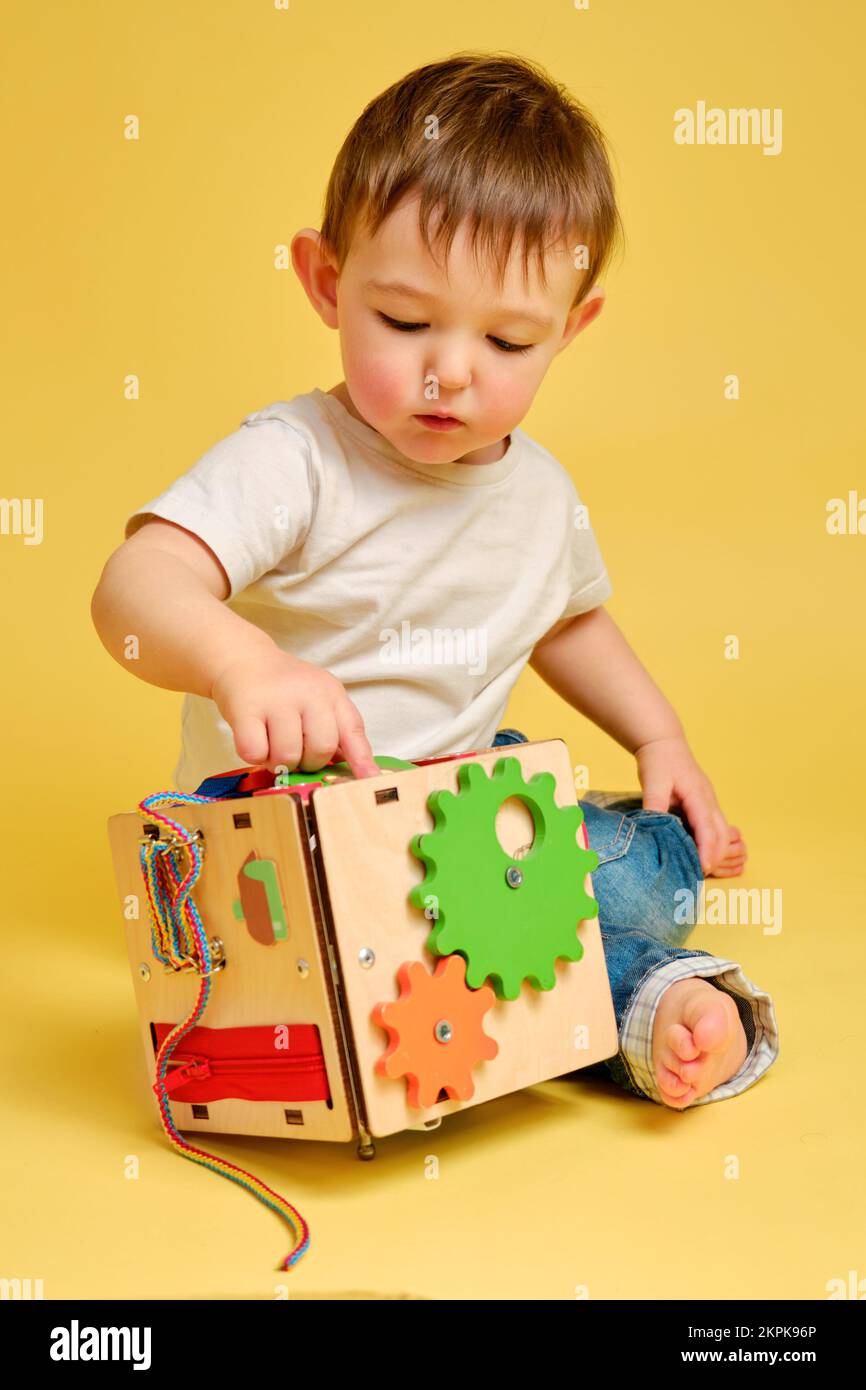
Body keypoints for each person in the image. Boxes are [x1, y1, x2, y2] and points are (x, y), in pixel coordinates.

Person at [91, 51, 778, 1110]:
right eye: (404, 322)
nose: (449, 370)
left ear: (568, 328)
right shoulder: (295, 461)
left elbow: (569, 621)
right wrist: (243, 661)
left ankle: (625, 888)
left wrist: (658, 737)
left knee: (640, 859)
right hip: (292, 852)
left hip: (463, 808)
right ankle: (653, 1002)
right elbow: (132, 588)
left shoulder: (538, 492)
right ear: (326, 282)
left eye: (506, 339)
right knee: (484, 947)